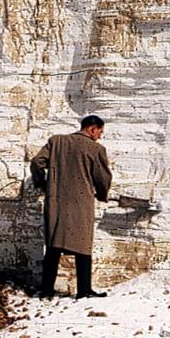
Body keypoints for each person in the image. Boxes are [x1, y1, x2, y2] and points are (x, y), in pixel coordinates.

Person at [29, 115, 113, 298]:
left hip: (56, 201)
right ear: (92, 129)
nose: (100, 136)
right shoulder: (96, 149)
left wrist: (42, 183)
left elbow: (36, 162)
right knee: (83, 246)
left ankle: (46, 290)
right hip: (81, 203)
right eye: (100, 132)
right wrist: (102, 194)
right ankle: (84, 290)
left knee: (53, 246)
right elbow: (103, 177)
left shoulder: (56, 141)